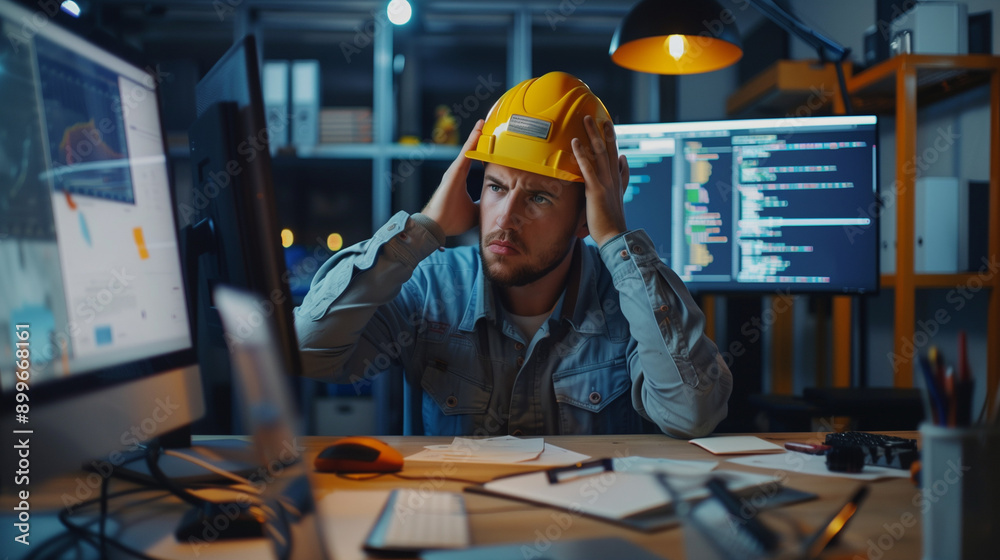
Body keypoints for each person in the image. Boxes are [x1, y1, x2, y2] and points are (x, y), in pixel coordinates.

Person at [295, 72, 732, 438]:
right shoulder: (431, 288)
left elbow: (691, 413)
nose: (505, 218)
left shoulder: (629, 303)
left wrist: (616, 239)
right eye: (496, 187)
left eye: (539, 197)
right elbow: (305, 352)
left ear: (584, 219)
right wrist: (423, 228)